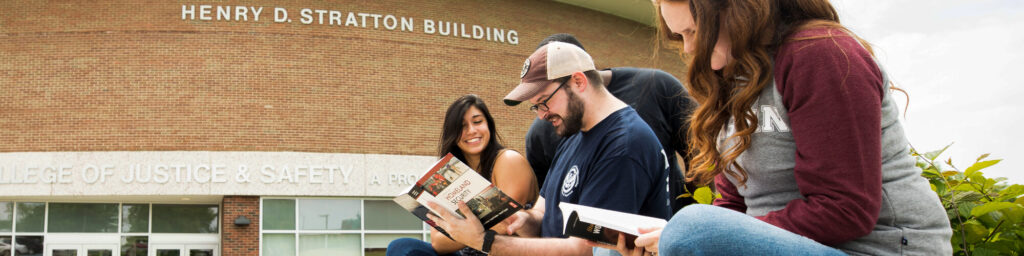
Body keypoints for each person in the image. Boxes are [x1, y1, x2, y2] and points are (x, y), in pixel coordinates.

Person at [594, 1, 955, 255]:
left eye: (694, 31)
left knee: (690, 228)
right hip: (784, 244)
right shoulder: (734, 80)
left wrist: (695, 235)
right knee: (622, 248)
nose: (689, 49)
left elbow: (847, 209)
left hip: (877, 248)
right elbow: (734, 203)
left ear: (736, 10)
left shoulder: (821, 54)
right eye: (679, 37)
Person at [421, 42, 672, 256]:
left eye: (543, 102)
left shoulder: (623, 145)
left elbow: (584, 249)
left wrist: (485, 242)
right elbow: (543, 213)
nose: (541, 116)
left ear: (578, 81)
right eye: (535, 107)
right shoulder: (574, 137)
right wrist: (519, 220)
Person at [525, 33, 697, 212]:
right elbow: (548, 205)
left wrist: (694, 218)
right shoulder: (544, 131)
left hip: (663, 229)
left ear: (579, 79)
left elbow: (703, 153)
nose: (543, 115)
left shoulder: (655, 87)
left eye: (545, 98)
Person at [387, 94, 539, 256]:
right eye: (462, 126)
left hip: (503, 251)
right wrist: (471, 233)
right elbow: (438, 243)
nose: (471, 131)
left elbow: (504, 224)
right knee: (401, 247)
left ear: (489, 124)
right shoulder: (444, 174)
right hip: (468, 253)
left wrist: (459, 232)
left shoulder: (508, 160)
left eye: (477, 122)